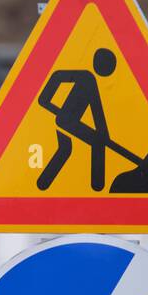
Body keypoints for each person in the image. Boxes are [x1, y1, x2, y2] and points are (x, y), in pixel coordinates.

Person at [36, 48, 118, 191]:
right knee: (92, 143)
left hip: (68, 121)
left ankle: (42, 184)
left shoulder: (90, 79)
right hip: (67, 121)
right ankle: (98, 186)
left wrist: (104, 134)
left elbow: (96, 110)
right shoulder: (87, 78)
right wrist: (47, 103)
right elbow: (56, 77)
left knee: (65, 149)